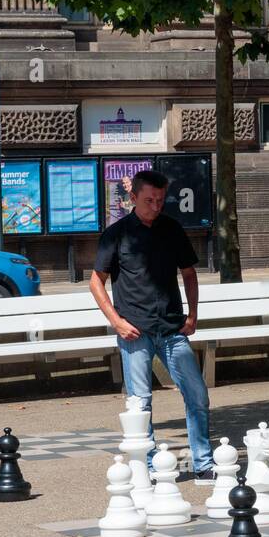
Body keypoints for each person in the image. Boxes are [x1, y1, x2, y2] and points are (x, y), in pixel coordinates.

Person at [89, 170, 214, 482]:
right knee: (141, 403)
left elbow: (189, 273)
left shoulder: (172, 229)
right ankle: (146, 466)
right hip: (135, 331)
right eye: (149, 201)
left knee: (197, 396)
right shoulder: (116, 234)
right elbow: (96, 282)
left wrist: (193, 315)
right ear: (133, 198)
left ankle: (204, 463)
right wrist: (116, 322)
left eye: (160, 200)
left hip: (172, 328)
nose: (156, 206)